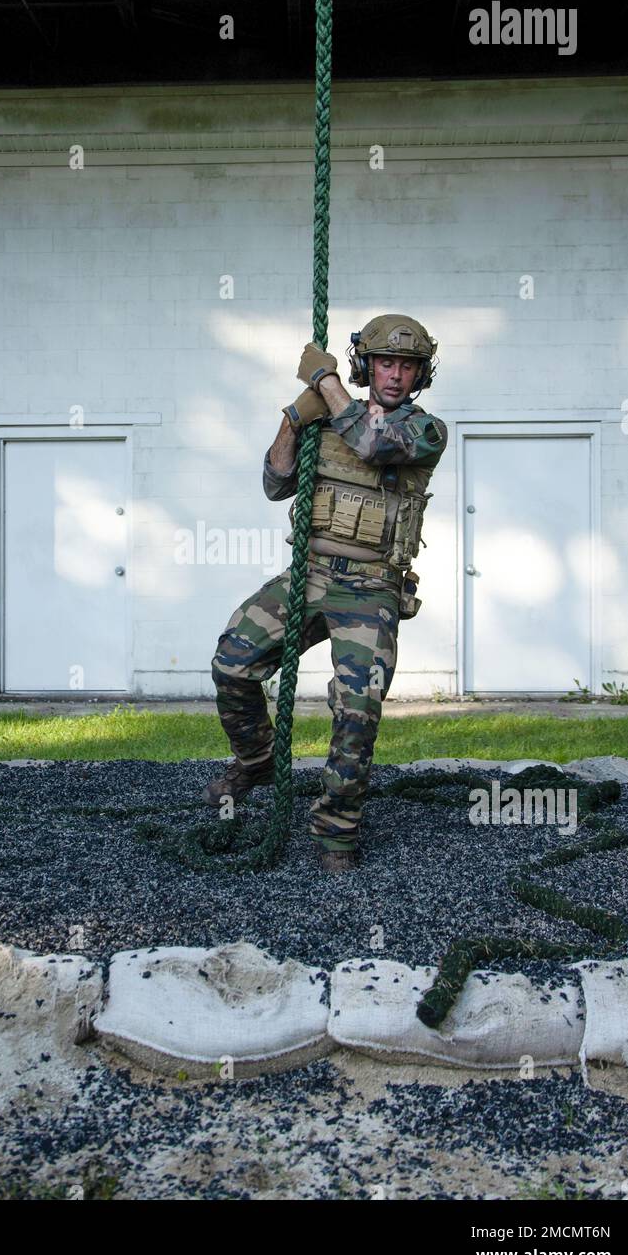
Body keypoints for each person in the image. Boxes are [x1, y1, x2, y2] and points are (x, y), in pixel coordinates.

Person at [202, 314, 448, 872]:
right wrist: (294, 418)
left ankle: (336, 831)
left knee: (357, 708)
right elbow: (275, 483)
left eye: (407, 365)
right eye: (385, 362)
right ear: (368, 364)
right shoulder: (328, 421)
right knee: (232, 664)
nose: (395, 374)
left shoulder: (425, 431)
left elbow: (372, 441)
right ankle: (258, 761)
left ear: (420, 374)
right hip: (309, 572)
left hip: (370, 587)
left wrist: (327, 383)